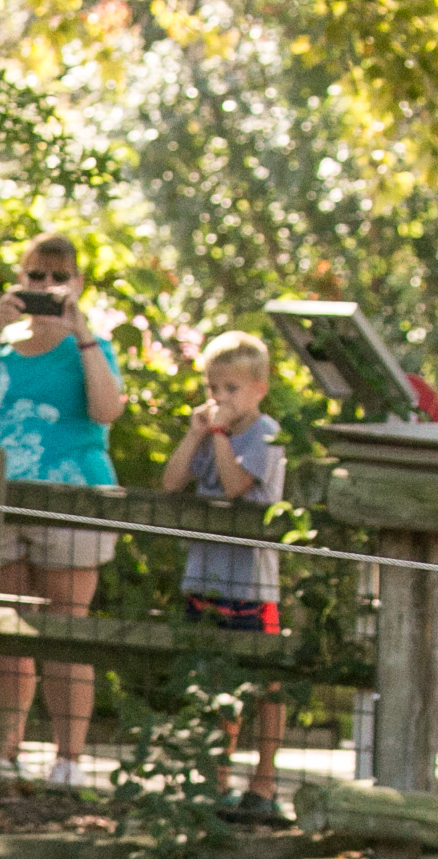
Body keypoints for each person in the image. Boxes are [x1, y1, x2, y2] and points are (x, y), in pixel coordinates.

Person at [0, 231, 123, 787]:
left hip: (71, 499)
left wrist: (82, 335)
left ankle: (68, 760)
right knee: (4, 631)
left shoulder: (93, 346)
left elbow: (106, 410)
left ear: (78, 284)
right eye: (35, 276)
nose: (46, 286)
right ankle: (5, 754)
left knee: (66, 631)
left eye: (58, 278)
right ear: (19, 279)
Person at [162, 330, 290, 813]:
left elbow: (235, 485)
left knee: (266, 682)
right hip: (205, 580)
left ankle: (264, 782)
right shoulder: (210, 432)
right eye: (213, 388)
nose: (220, 399)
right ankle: (215, 781)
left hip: (253, 586)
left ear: (259, 388)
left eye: (231, 389)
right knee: (212, 682)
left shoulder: (265, 433)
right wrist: (196, 433)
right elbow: (172, 482)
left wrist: (218, 436)